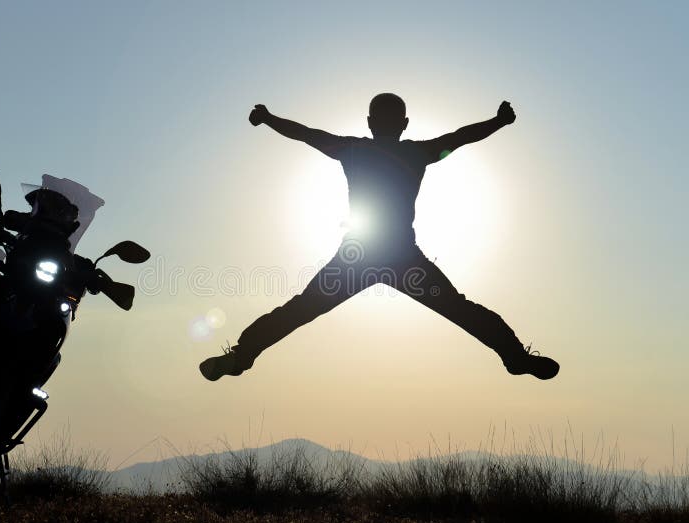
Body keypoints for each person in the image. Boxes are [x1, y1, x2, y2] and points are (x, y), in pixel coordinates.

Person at [199, 94, 559, 381]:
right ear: (404, 124)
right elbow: (459, 138)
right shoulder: (416, 152)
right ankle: (516, 358)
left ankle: (240, 357)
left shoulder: (354, 149)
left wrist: (268, 118)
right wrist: (498, 122)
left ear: (370, 123)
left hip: (359, 257)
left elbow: (307, 134)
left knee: (299, 310)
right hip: (402, 260)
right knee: (460, 309)